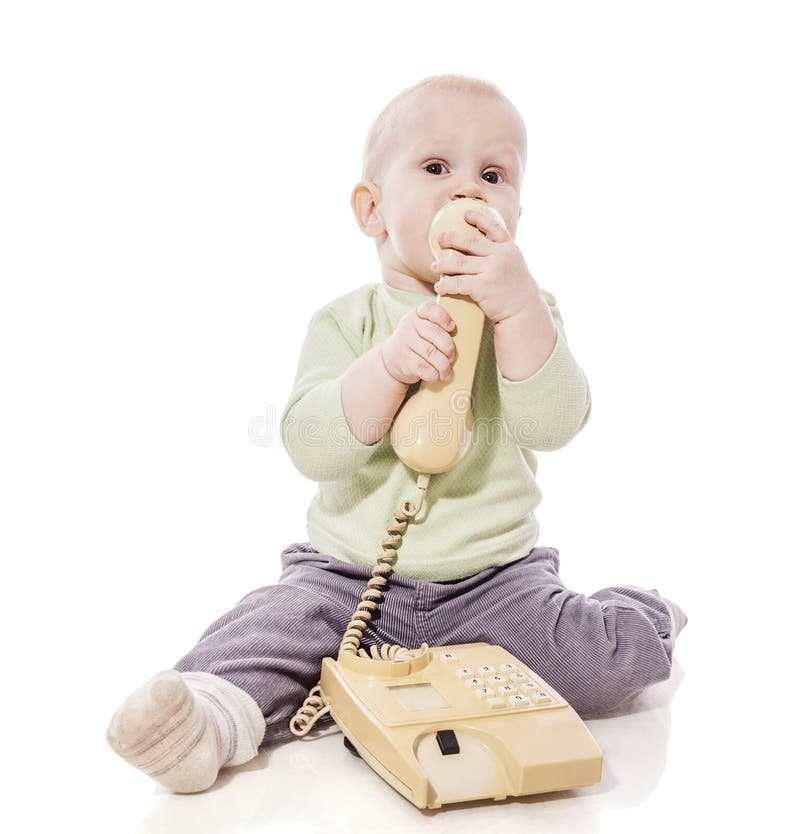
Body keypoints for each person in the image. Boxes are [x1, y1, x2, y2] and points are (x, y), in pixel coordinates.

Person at [106, 73, 687, 794]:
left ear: (517, 212)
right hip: (348, 575)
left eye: (494, 175)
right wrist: (385, 368)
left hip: (496, 583)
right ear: (373, 209)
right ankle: (205, 721)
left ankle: (643, 615)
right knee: (268, 632)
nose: (467, 190)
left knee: (596, 664)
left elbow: (555, 423)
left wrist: (516, 312)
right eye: (437, 167)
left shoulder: (528, 312)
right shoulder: (346, 323)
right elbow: (310, 445)